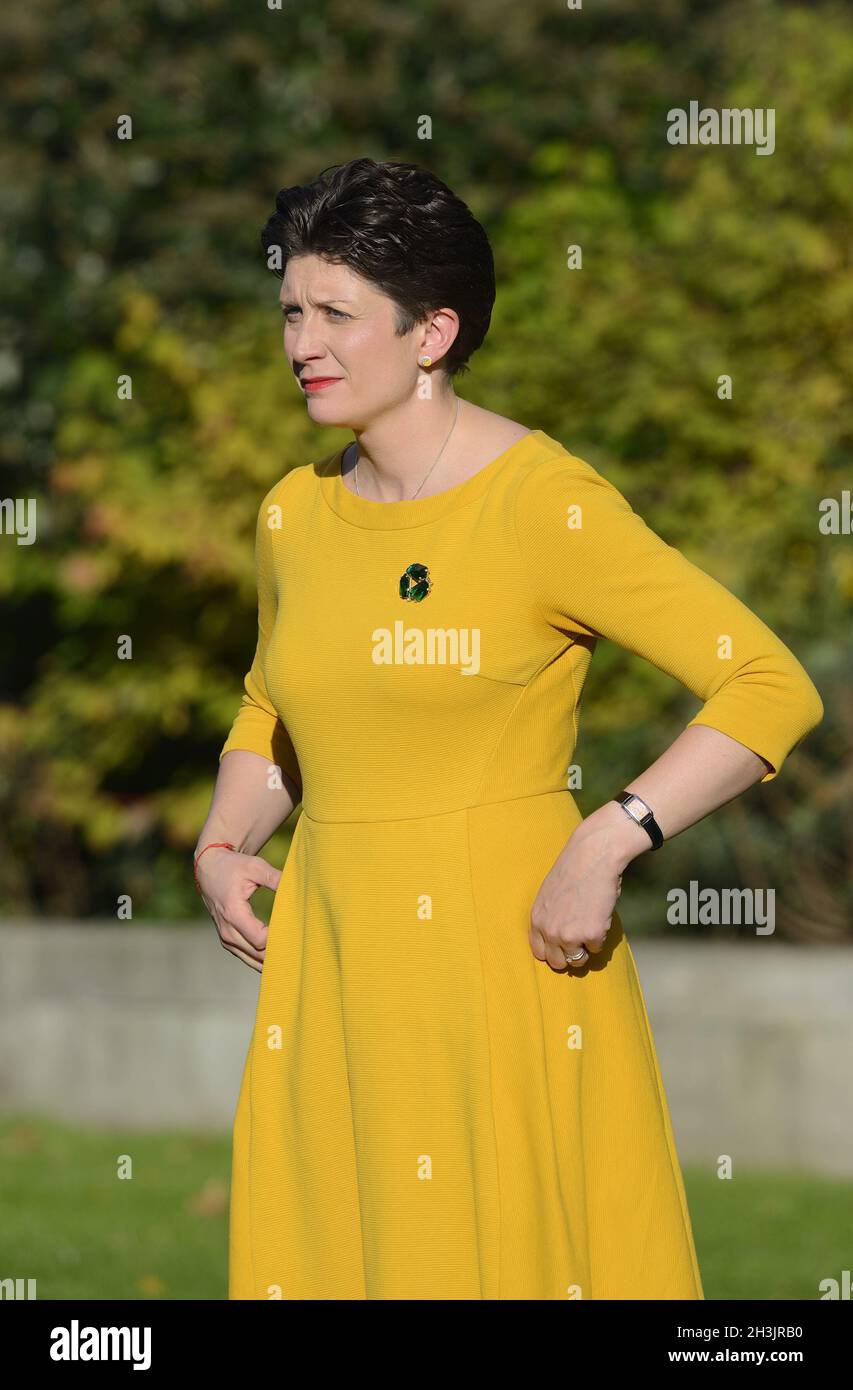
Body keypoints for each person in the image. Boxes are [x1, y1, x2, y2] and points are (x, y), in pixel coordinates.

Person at [193, 157, 824, 1300]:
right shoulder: (292, 514)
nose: (301, 343)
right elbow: (273, 701)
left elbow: (766, 682)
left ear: (431, 332)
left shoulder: (546, 503)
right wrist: (220, 844)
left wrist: (608, 838)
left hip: (504, 957)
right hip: (334, 967)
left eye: (336, 314)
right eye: (291, 309)